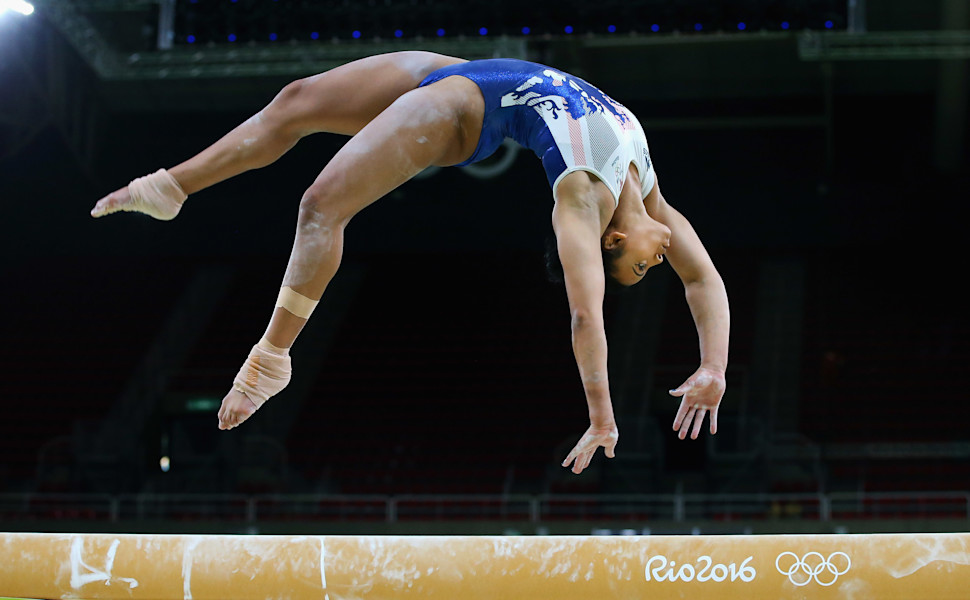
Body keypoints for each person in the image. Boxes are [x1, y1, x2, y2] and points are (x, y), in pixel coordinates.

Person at [90, 51, 729, 475]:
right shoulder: (649, 195)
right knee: (297, 100)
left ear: (605, 243)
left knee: (320, 206)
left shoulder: (581, 200)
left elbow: (586, 316)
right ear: (618, 243)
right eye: (644, 271)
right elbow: (705, 279)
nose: (660, 260)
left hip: (466, 111)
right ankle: (172, 187)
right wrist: (711, 367)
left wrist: (601, 416)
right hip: (476, 71)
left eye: (646, 270)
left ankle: (271, 359)